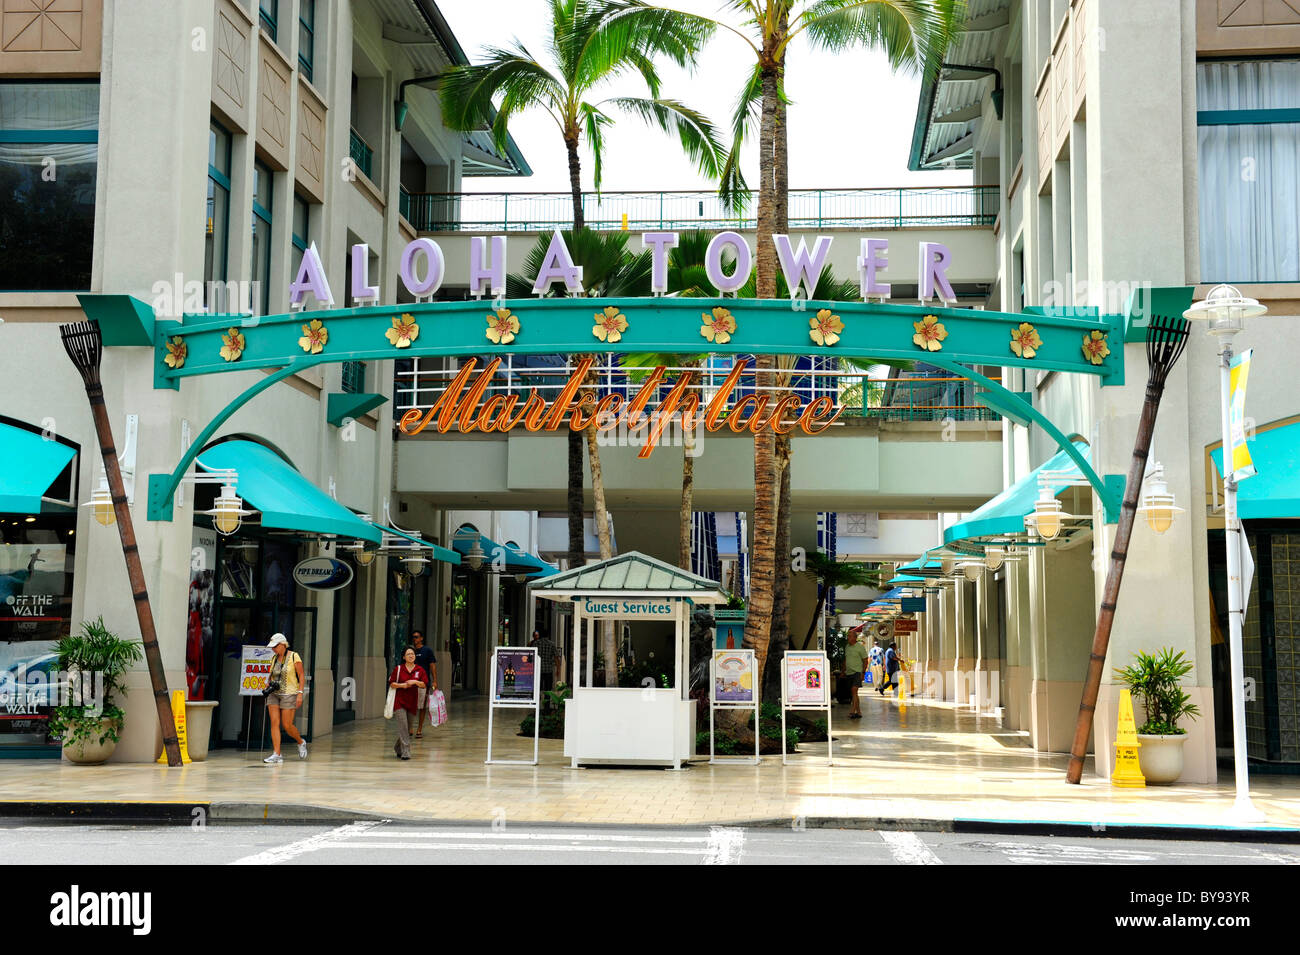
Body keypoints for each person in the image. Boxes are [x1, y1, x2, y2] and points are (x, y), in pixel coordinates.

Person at [263, 633, 307, 763]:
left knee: (287, 725)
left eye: (275, 646)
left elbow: (302, 675)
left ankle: (300, 742)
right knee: (274, 723)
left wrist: (300, 693)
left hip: (289, 693)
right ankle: (277, 753)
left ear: (283, 645)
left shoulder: (294, 656)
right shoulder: (274, 658)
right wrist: (268, 683)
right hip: (274, 694)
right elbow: (271, 675)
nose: (273, 649)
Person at [389, 646, 427, 760]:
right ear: (404, 657)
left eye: (413, 654)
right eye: (408, 654)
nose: (411, 656)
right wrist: (403, 685)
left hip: (412, 702)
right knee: (403, 727)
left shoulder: (419, 670)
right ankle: (406, 752)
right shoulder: (399, 669)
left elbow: (424, 684)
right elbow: (392, 683)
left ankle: (397, 747)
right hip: (399, 702)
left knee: (407, 727)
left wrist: (415, 681)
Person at [411, 631, 437, 738]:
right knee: (410, 705)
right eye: (413, 637)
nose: (414, 639)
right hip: (411, 682)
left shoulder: (427, 651)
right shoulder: (410, 651)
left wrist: (435, 680)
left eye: (416, 637)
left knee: (422, 706)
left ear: (421, 638)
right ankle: (410, 727)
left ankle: (419, 729)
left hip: (423, 682)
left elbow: (432, 666)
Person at [844, 629, 868, 719]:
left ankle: (852, 711)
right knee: (854, 693)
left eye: (849, 636)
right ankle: (859, 712)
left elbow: (865, 660)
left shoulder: (860, 647)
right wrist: (843, 671)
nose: (848, 638)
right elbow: (846, 659)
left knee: (854, 690)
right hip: (849, 672)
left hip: (857, 672)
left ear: (855, 638)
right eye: (848, 636)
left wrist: (863, 672)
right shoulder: (847, 647)